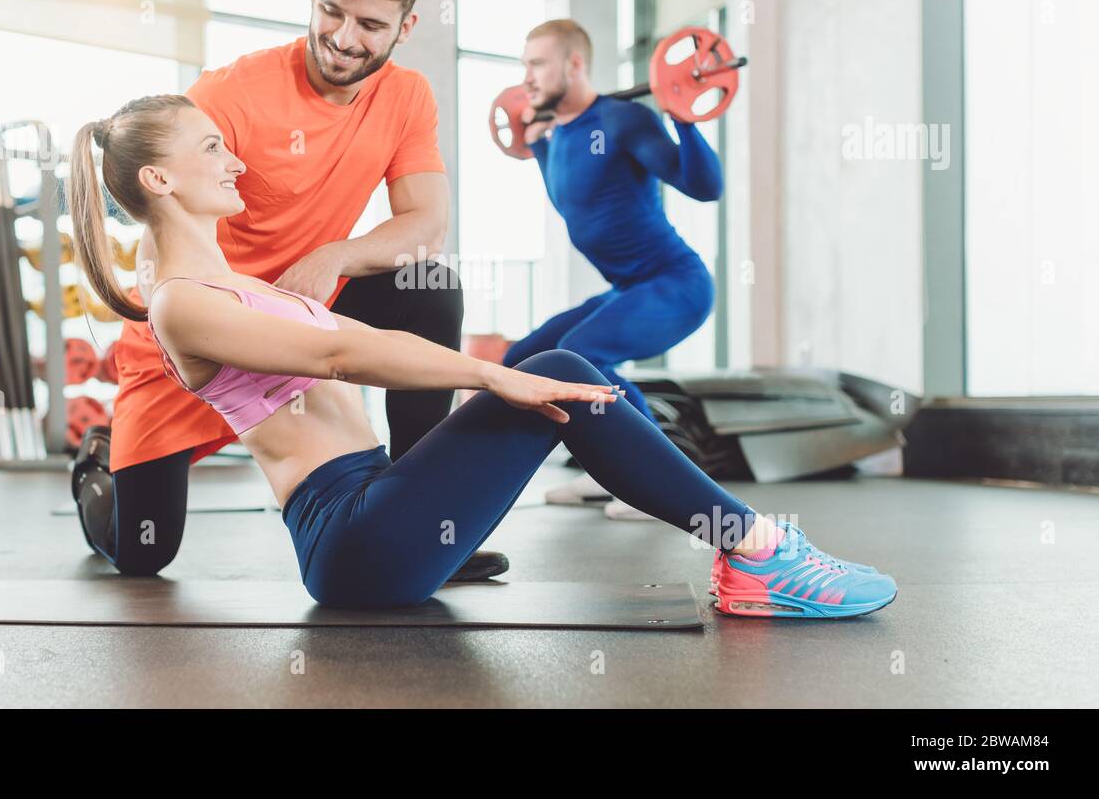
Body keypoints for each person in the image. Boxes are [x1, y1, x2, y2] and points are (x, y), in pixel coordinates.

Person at [65, 92, 898, 618]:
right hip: (349, 542)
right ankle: (759, 552)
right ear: (159, 182)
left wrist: (491, 382)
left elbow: (358, 332)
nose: (233, 156)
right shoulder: (180, 302)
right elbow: (346, 353)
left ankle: (749, 550)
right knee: (562, 375)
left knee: (565, 374)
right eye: (210, 147)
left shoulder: (232, 282)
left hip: (377, 505)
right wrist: (496, 375)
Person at [72, 0, 504, 581]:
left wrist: (334, 255)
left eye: (369, 24)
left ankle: (425, 513)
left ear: (404, 28)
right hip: (205, 330)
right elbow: (161, 222)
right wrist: (184, 322)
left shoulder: (406, 96)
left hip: (301, 302)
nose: (342, 37)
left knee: (430, 285)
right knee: (144, 552)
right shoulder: (229, 95)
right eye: (331, 11)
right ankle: (97, 465)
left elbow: (425, 225)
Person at [508, 19, 722, 520]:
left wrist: (684, 120)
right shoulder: (555, 139)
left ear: (574, 64)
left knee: (581, 353)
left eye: (537, 64)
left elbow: (705, 188)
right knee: (527, 358)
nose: (527, 78)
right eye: (524, 66)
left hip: (675, 284)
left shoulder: (624, 121)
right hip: (629, 287)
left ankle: (657, 481)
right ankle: (599, 468)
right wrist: (538, 143)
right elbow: (579, 207)